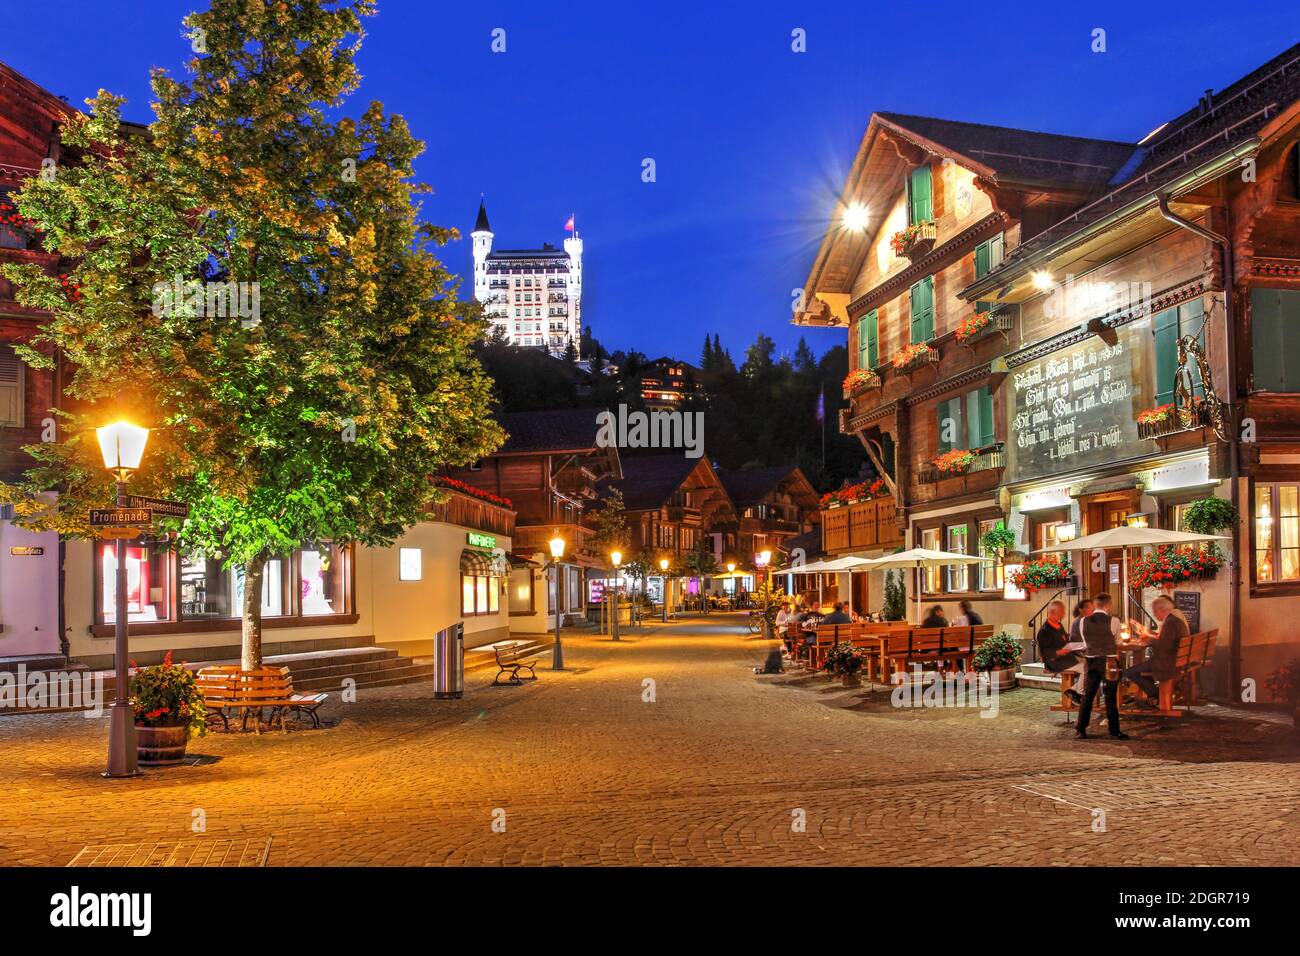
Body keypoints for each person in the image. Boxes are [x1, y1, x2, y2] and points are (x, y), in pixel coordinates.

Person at [1075, 593, 1128, 740]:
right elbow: (1118, 643)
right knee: (1110, 696)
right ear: (1107, 605)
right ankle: (1114, 731)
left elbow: (1085, 644)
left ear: (1095, 605)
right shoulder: (1114, 621)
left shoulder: (1083, 621)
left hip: (1091, 661)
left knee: (1088, 695)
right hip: (1109, 661)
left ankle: (1080, 729)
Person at [1124, 595, 1190, 704]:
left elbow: (1164, 646)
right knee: (1139, 670)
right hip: (1175, 659)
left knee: (1129, 672)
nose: (1154, 614)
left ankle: (1156, 695)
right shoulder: (1174, 620)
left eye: (1155, 611)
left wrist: (1149, 639)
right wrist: (1148, 633)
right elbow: (1166, 641)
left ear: (1162, 609)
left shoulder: (1170, 623)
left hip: (1167, 662)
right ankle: (1154, 696)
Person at [1036, 600, 1084, 703]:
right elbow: (1044, 653)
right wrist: (1059, 652)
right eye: (1060, 613)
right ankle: (1078, 693)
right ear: (1052, 613)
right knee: (1086, 668)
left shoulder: (1058, 625)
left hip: (1066, 657)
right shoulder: (1044, 631)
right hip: (1055, 662)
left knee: (1090, 663)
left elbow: (1064, 640)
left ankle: (1074, 690)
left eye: (1063, 612)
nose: (1063, 615)